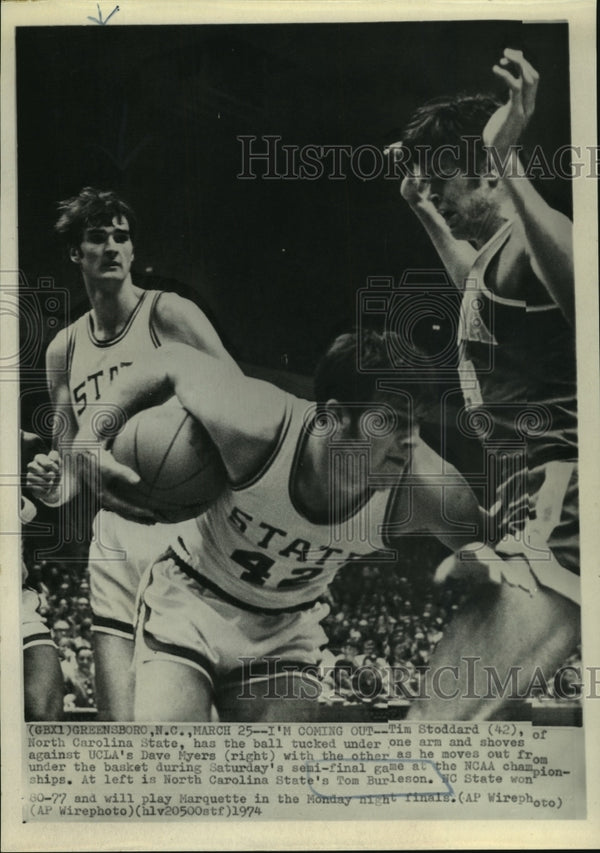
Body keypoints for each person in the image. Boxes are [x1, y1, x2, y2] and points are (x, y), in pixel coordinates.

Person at [77, 328, 484, 721]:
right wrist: (87, 438)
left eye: (417, 424)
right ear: (337, 416)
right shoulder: (258, 423)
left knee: (272, 769)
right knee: (169, 751)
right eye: (392, 421)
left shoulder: (434, 491)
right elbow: (172, 359)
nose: (410, 440)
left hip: (284, 628)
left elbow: (514, 567)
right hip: (191, 600)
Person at [387, 48, 579, 718]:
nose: (437, 193)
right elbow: (473, 280)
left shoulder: (534, 244)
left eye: (445, 183)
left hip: (565, 509)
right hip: (536, 504)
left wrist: (512, 165)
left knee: (433, 729)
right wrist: (421, 210)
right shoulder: (496, 262)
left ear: (489, 175)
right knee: (481, 729)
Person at [26, 187, 239, 720]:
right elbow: (71, 461)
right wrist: (54, 481)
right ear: (76, 253)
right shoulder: (64, 349)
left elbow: (242, 404)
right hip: (116, 536)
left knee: (185, 725)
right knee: (120, 728)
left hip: (189, 530)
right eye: (98, 237)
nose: (113, 247)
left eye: (122, 236)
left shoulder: (169, 314)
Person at [21, 431, 65, 721]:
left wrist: (51, 483)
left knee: (46, 711)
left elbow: (58, 490)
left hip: (13, 601)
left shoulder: (24, 445)